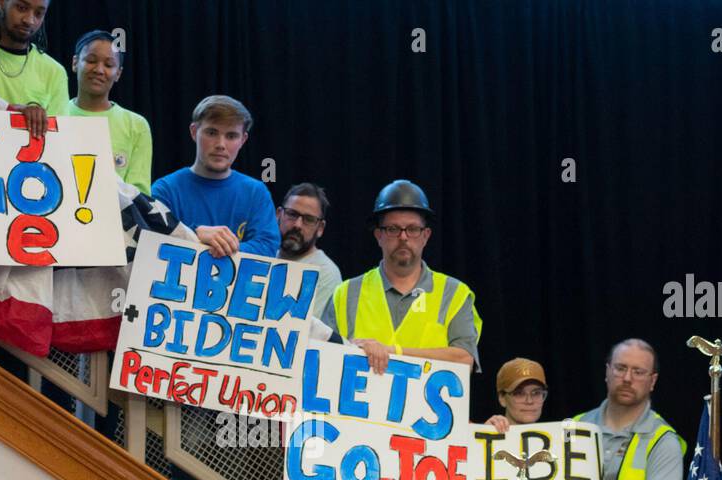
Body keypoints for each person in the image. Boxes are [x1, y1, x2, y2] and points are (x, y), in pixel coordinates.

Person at [319, 179, 481, 373]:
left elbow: (465, 359)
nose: (403, 237)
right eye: (393, 229)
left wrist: (393, 352)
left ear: (426, 235)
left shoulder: (455, 294)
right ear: (378, 235)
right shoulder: (345, 294)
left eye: (412, 229)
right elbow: (322, 360)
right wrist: (354, 350)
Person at [575, 338, 685, 480]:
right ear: (607, 371)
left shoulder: (662, 440)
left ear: (652, 381)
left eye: (638, 372)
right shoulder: (575, 426)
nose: (627, 378)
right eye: (621, 368)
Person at [152, 95, 279, 258]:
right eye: (212, 133)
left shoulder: (256, 192)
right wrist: (194, 233)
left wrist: (217, 246)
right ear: (194, 131)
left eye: (231, 136)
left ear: (243, 140)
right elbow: (152, 244)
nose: (220, 144)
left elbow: (267, 246)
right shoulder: (165, 189)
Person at [65, 30, 152, 195]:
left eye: (109, 65)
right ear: (75, 63)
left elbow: (140, 194)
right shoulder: (55, 114)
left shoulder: (136, 125)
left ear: (118, 73)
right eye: (91, 60)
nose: (99, 70)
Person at [0, 0, 69, 120]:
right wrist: (10, 111)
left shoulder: (55, 72)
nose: (29, 20)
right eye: (22, 8)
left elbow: (58, 134)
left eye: (38, 14)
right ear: (0, 2)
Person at [276, 183, 342, 318]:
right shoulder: (260, 255)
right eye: (292, 214)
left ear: (320, 228)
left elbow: (311, 333)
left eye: (308, 219)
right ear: (278, 215)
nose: (297, 225)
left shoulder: (326, 273)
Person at [485, 358, 548, 432]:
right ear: (502, 398)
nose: (529, 401)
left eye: (536, 393)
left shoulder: (558, 438)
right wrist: (483, 432)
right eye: (519, 393)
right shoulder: (480, 436)